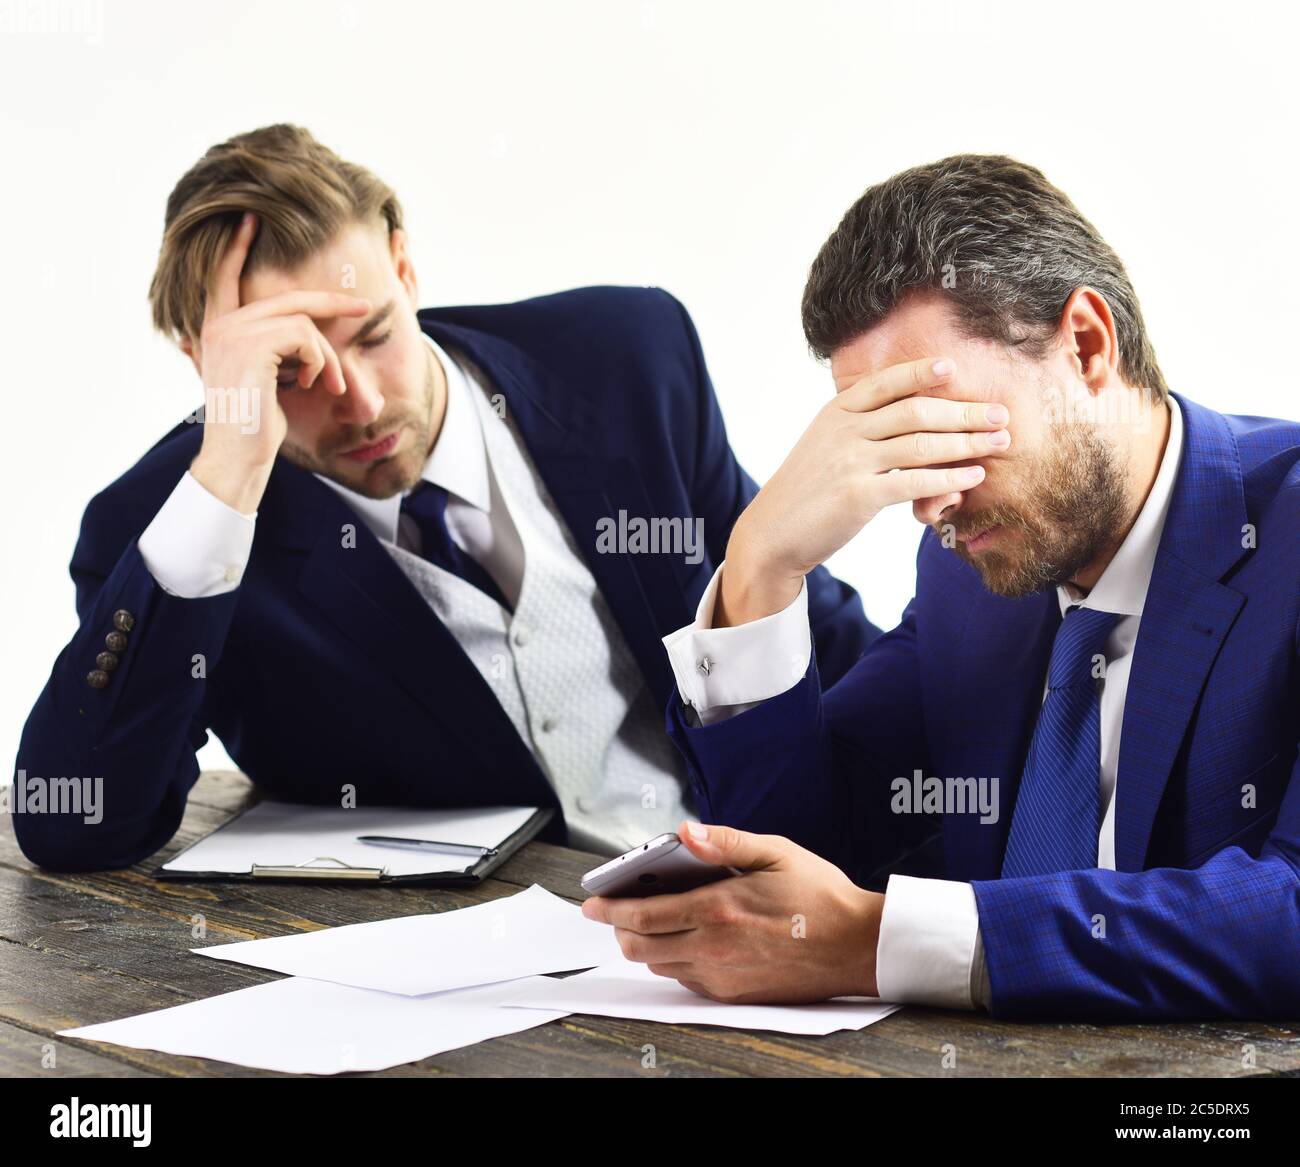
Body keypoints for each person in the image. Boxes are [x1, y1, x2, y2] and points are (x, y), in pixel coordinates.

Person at [12, 124, 878, 871]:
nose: (359, 402)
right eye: (292, 372)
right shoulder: (170, 528)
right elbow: (75, 825)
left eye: (375, 334)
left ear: (402, 265)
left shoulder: (622, 359)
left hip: (750, 907)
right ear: (207, 364)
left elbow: (802, 626)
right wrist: (229, 473)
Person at [585, 154, 1300, 1021]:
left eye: (944, 430)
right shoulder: (971, 575)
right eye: (892, 446)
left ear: (1085, 344)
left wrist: (874, 939)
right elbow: (801, 856)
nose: (931, 502)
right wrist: (761, 567)